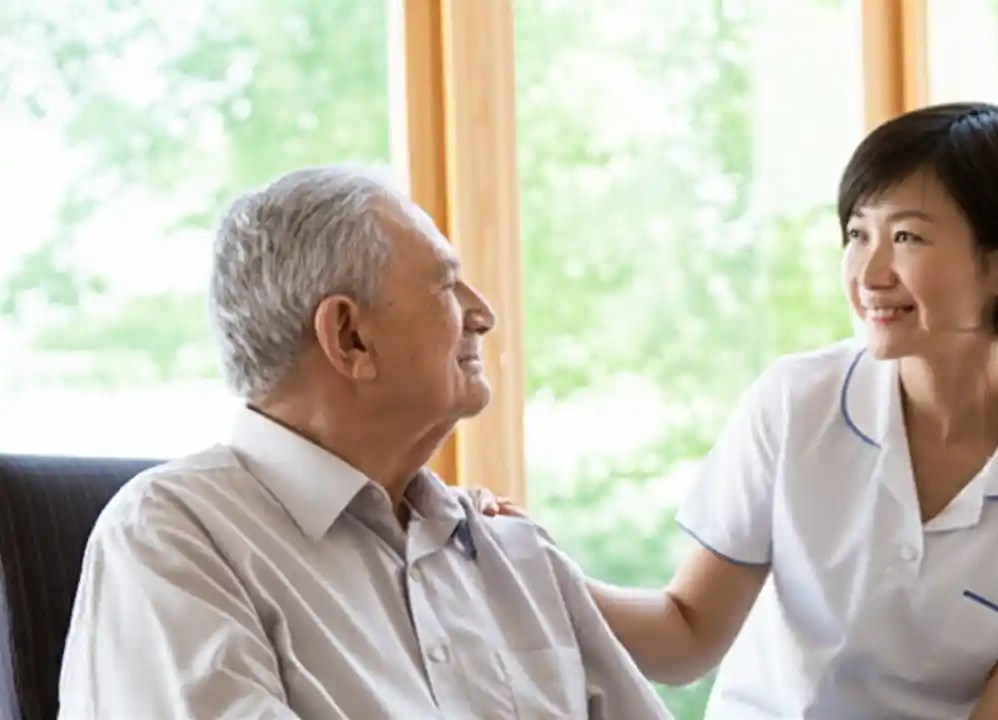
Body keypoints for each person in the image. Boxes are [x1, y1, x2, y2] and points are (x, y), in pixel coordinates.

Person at [478, 102, 998, 719]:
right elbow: (686, 639)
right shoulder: (796, 403)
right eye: (857, 233)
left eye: (906, 236)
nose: (869, 272)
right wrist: (540, 571)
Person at [58, 166, 670, 719]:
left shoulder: (513, 552)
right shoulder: (172, 537)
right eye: (445, 286)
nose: (482, 314)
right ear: (349, 337)